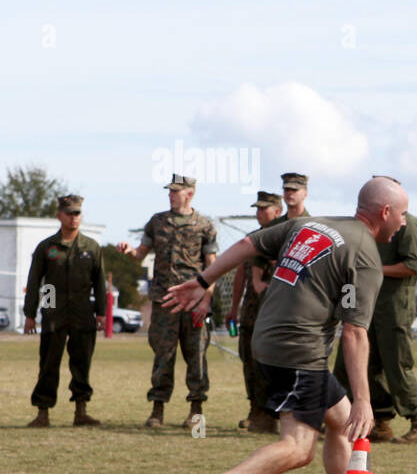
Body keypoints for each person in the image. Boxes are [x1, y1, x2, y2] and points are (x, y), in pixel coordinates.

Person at [162, 176, 407, 474]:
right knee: (298, 448)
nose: (404, 222)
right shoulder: (366, 256)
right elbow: (355, 333)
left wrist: (204, 279)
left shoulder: (310, 224)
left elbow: (247, 243)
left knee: (343, 426)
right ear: (385, 212)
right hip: (298, 351)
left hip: (270, 338)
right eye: (403, 214)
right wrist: (363, 399)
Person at [117, 174, 218, 428]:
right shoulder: (157, 222)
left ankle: (196, 411)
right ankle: (157, 410)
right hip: (165, 301)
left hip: (193, 301)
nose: (171, 195)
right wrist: (130, 252)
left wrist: (206, 300)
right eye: (170, 192)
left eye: (176, 191)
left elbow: (212, 267)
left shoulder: (204, 225)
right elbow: (140, 254)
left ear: (190, 194)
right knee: (163, 355)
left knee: (196, 356)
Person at [333, 204, 417, 443]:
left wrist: (371, 270)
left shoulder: (408, 225)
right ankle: (380, 423)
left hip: (393, 307)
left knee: (396, 363)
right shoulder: (363, 229)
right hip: (365, 306)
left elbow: (411, 266)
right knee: (363, 363)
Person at [23, 194, 107, 427]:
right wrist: (31, 314)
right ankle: (43, 413)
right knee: (48, 363)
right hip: (53, 311)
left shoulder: (91, 247)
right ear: (59, 215)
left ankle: (81, 412)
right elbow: (36, 282)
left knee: (82, 363)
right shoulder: (47, 247)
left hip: (82, 312)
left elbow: (99, 283)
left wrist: (101, 312)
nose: (73, 217)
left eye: (77, 213)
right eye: (69, 213)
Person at [227, 190, 283, 433]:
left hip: (277, 311)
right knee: (249, 360)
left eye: (264, 208)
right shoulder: (252, 240)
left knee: (274, 362)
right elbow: (242, 274)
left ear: (277, 211)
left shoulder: (287, 237)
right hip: (252, 310)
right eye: (257, 209)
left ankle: (276, 412)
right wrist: (234, 307)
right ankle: (256, 410)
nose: (259, 213)